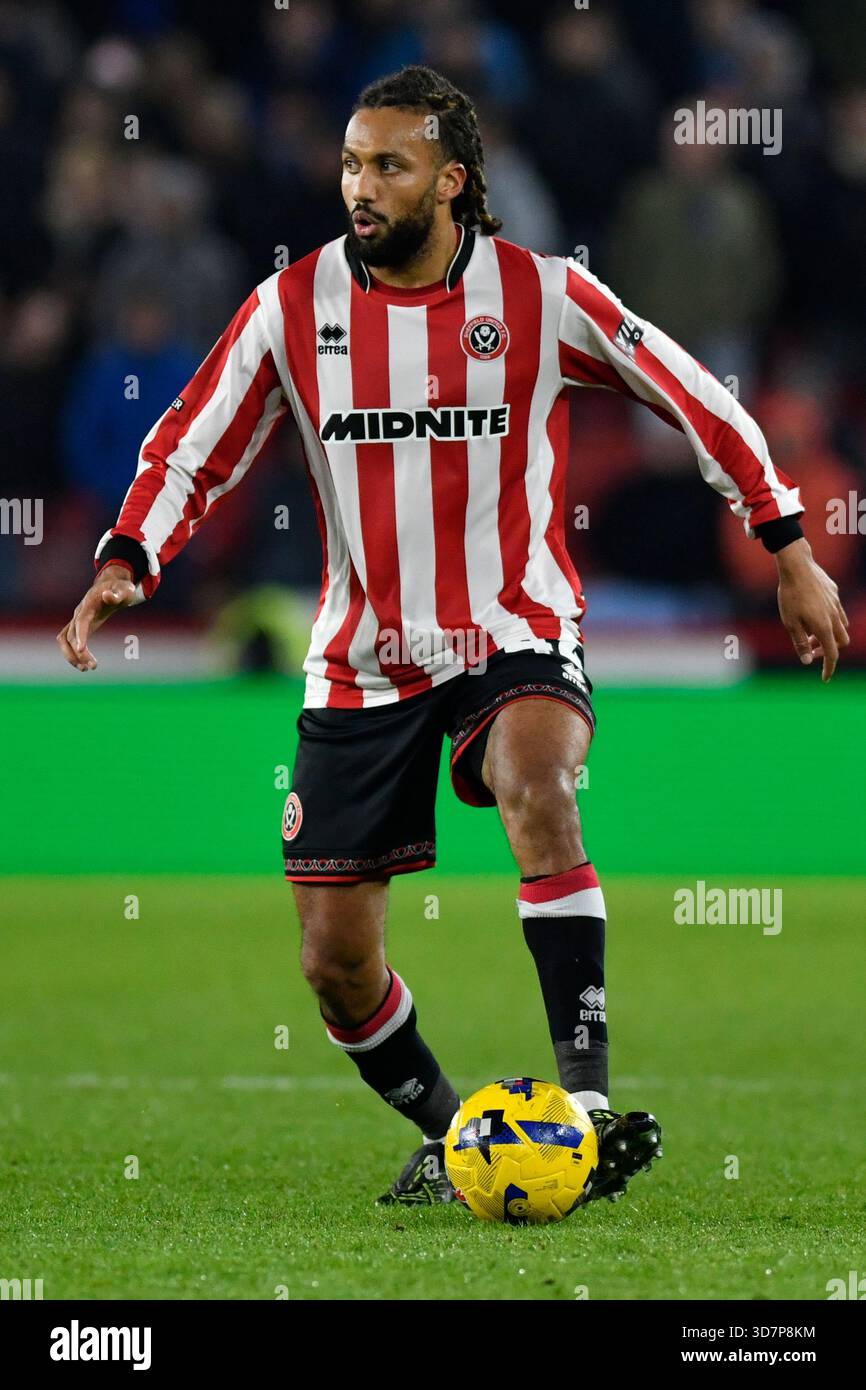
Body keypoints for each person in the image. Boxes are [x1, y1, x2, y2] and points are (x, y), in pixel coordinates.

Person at [57, 65, 849, 1209]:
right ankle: (454, 1129)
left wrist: (785, 543)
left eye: (387, 165)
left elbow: (694, 396)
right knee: (333, 961)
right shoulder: (293, 306)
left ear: (452, 180)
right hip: (359, 658)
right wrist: (130, 556)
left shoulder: (540, 294)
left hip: (508, 626)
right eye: (348, 164)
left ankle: (580, 1110)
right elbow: (195, 439)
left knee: (538, 781)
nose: (359, 187)